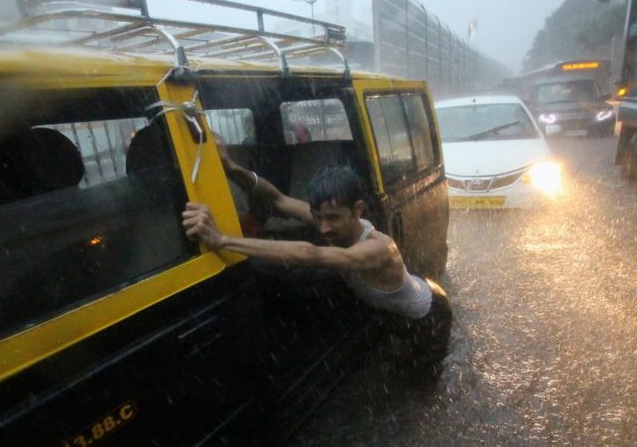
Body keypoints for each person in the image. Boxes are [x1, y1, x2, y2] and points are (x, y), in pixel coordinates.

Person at [182, 144, 452, 386]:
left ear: (358, 210)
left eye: (333, 218)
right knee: (390, 363)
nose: (324, 227)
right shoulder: (332, 220)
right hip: (396, 304)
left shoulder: (379, 249)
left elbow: (310, 254)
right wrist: (230, 168)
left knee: (421, 384)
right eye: (317, 217)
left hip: (429, 315)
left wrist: (222, 240)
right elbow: (277, 199)